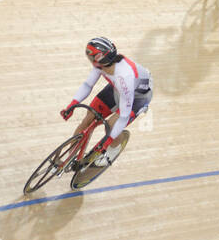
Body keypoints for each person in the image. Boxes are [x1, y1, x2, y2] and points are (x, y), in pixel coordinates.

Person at [59, 38, 153, 168]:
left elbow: (124, 116)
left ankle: (113, 149)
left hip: (138, 96)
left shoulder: (124, 77)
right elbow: (88, 84)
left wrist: (107, 141)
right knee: (89, 117)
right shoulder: (102, 65)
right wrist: (72, 105)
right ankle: (70, 157)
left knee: (111, 125)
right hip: (117, 89)